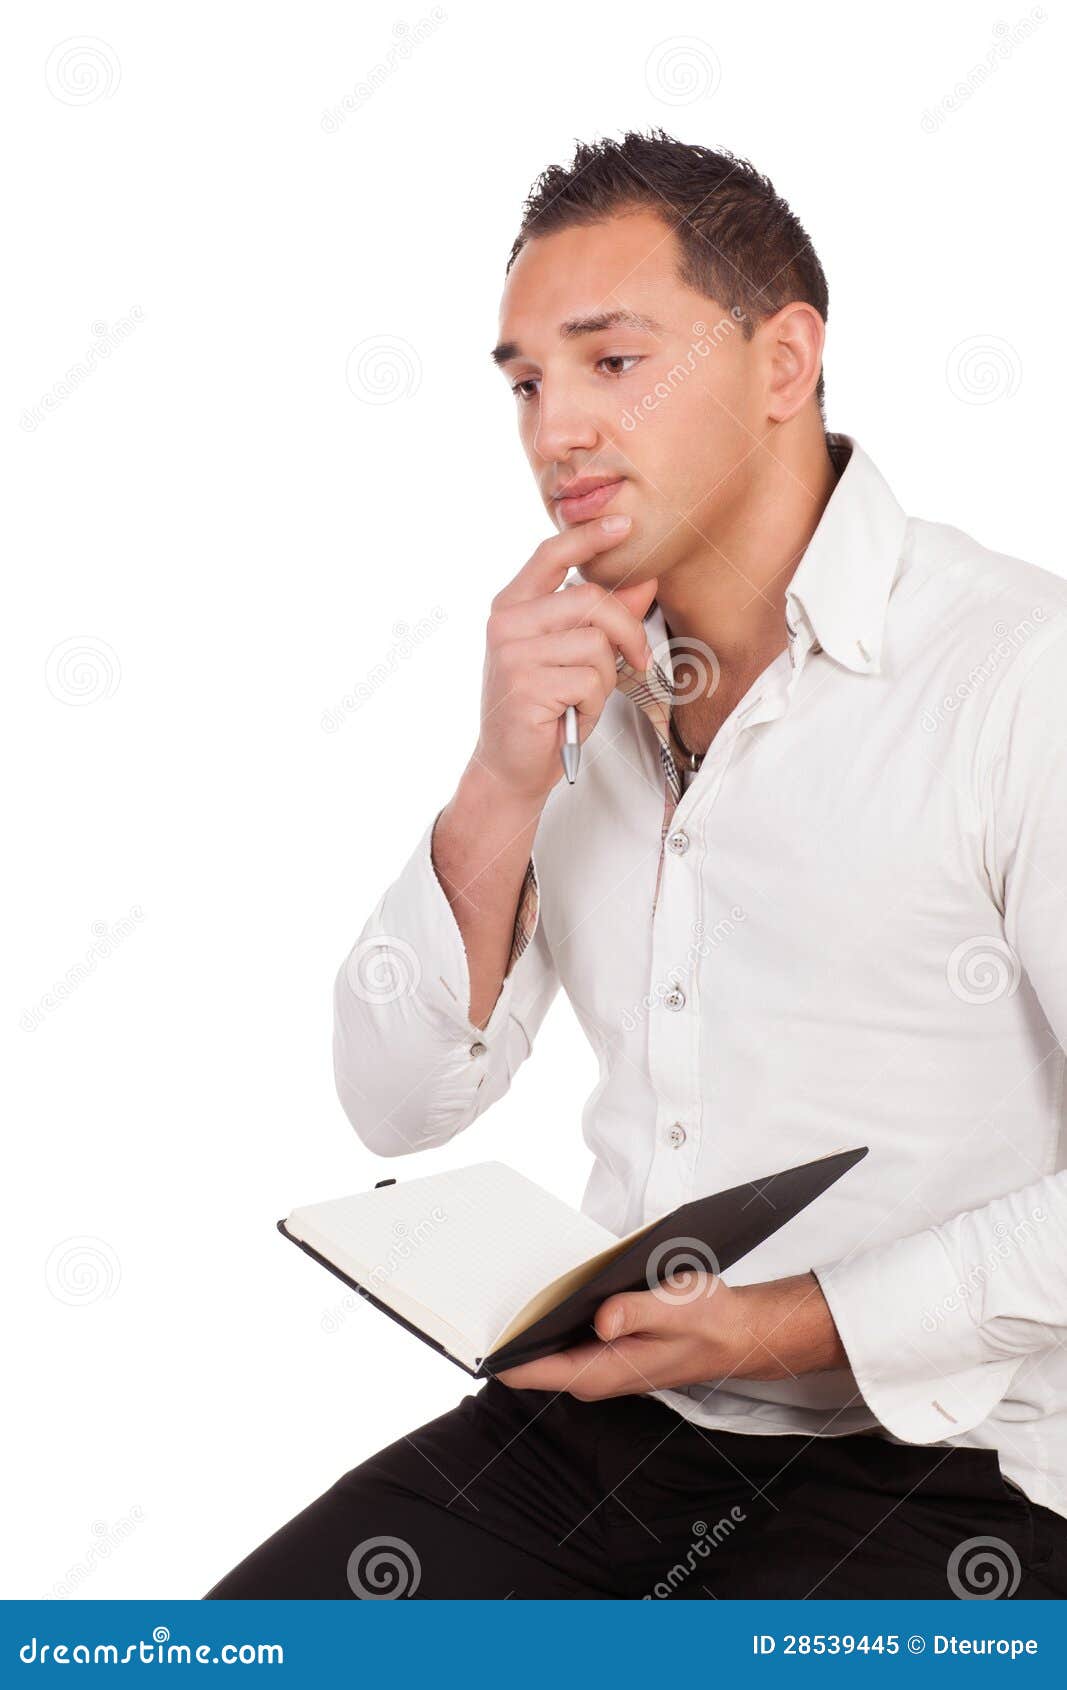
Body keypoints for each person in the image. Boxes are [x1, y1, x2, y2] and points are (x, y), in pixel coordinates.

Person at [205, 129, 1067, 1599]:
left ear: (784, 362)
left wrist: (786, 1322)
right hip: (613, 1422)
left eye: (613, 363)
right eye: (528, 382)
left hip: (960, 1458)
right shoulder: (576, 681)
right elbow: (397, 1100)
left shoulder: (1015, 676)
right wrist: (496, 782)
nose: (555, 433)